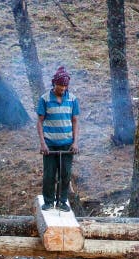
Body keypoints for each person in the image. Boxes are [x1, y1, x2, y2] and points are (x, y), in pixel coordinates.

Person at [37, 66, 80, 212]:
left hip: (67, 144)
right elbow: (40, 122)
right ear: (54, 84)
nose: (62, 89)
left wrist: (75, 142)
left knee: (65, 174)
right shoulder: (44, 99)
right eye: (60, 86)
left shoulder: (73, 99)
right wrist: (43, 143)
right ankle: (48, 201)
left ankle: (62, 201)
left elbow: (75, 121)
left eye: (65, 86)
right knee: (49, 174)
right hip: (50, 144)